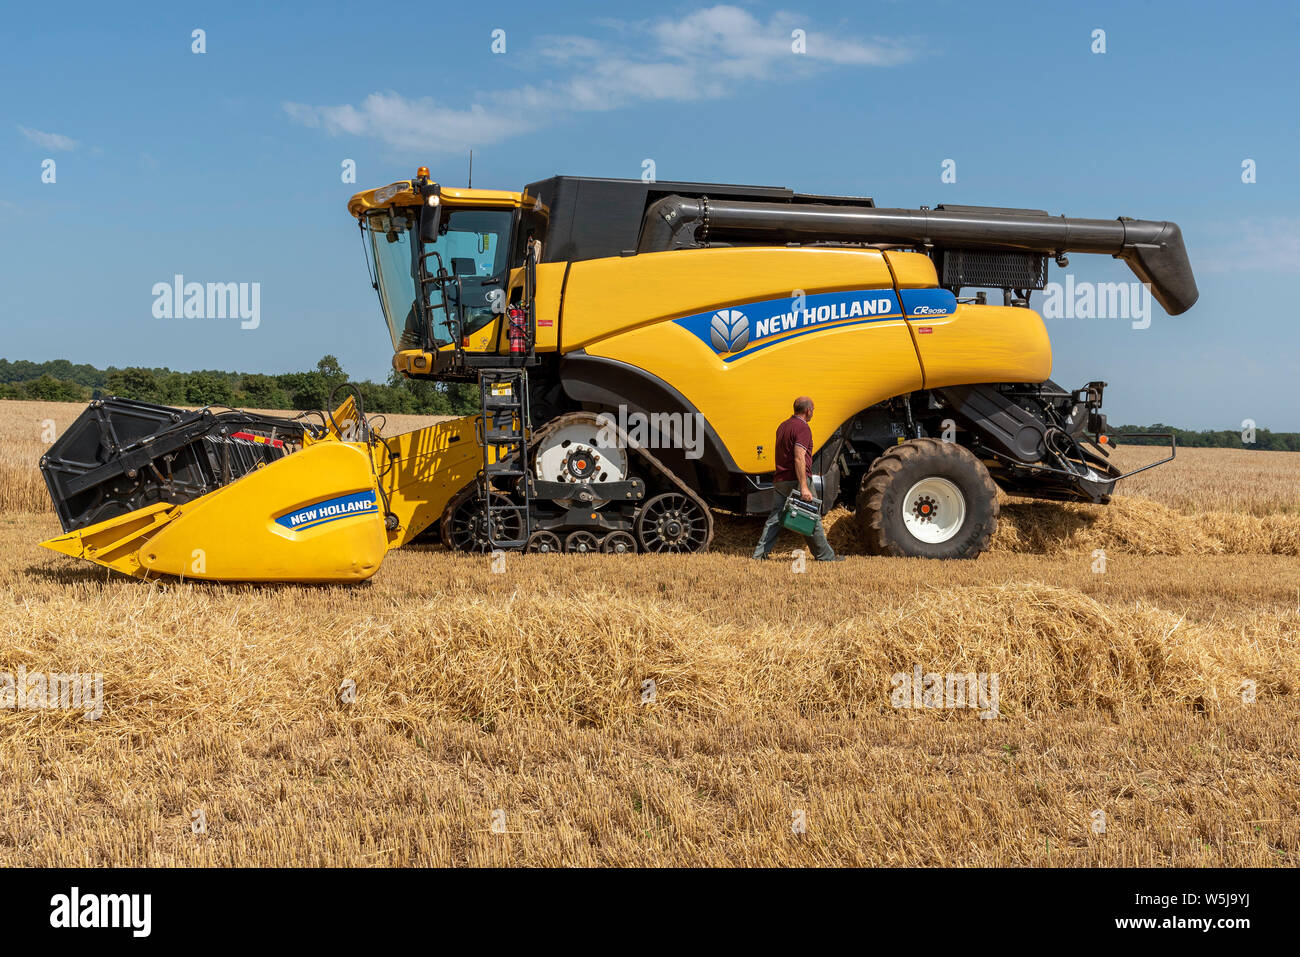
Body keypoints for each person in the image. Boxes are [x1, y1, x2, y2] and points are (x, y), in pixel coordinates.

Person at [752, 397, 844, 562]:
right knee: (811, 517)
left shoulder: (783, 426)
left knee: (775, 519)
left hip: (781, 479)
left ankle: (759, 555)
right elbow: (799, 458)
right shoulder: (802, 428)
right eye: (813, 410)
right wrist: (803, 486)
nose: (812, 413)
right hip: (797, 479)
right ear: (808, 410)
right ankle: (826, 557)